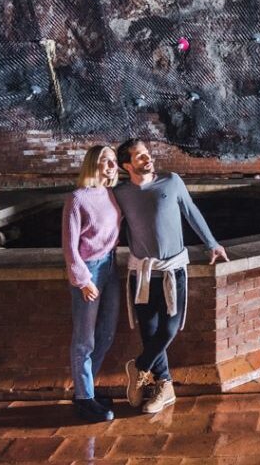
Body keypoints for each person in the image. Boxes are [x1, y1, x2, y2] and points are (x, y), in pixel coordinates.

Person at [114, 138, 228, 414]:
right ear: (126, 165)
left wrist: (212, 243)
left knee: (169, 328)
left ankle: (139, 366)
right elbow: (105, 224)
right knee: (149, 331)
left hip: (172, 270)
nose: (147, 158)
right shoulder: (121, 194)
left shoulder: (171, 181)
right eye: (139, 157)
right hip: (141, 273)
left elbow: (192, 213)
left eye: (147, 154)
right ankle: (164, 386)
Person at [62, 145, 122, 422]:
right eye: (104, 161)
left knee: (107, 333)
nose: (111, 165)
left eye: (113, 161)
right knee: (84, 339)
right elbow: (70, 247)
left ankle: (87, 388)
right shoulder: (77, 199)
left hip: (110, 266)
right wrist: (83, 280)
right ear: (92, 164)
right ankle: (84, 398)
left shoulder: (109, 193)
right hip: (90, 271)